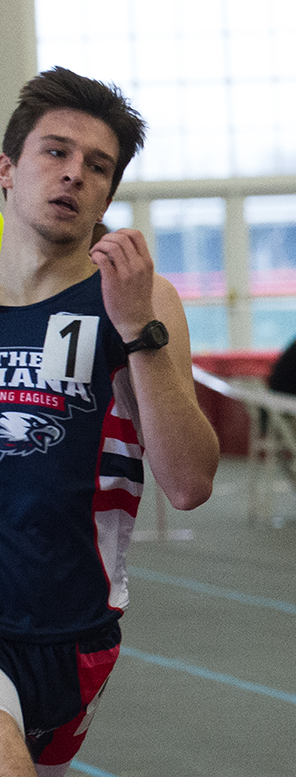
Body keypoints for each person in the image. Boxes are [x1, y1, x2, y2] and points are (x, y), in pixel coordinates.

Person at [0, 67, 219, 776]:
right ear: (7, 169)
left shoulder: (139, 297)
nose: (74, 175)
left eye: (98, 167)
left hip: (69, 623)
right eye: (55, 153)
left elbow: (188, 483)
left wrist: (136, 329)